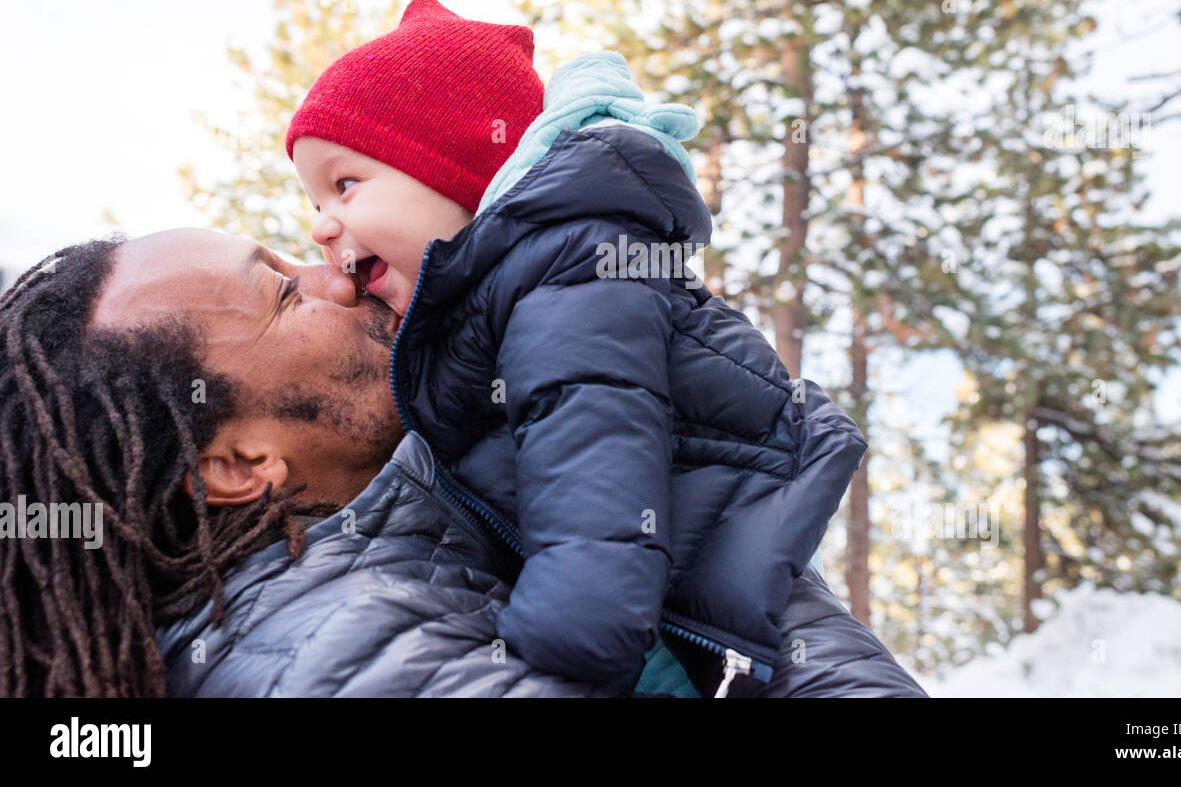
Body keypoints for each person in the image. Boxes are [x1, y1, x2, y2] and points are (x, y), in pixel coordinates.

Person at [0, 229, 928, 697]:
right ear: (240, 461)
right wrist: (708, 530)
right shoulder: (348, 666)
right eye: (283, 292)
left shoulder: (415, 539)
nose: (340, 271)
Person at [284, 0, 870, 694]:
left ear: (461, 170)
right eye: (314, 203)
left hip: (679, 628)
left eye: (345, 185)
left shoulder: (567, 271)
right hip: (686, 608)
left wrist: (557, 644)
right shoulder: (519, 286)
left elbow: (597, 468)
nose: (321, 226)